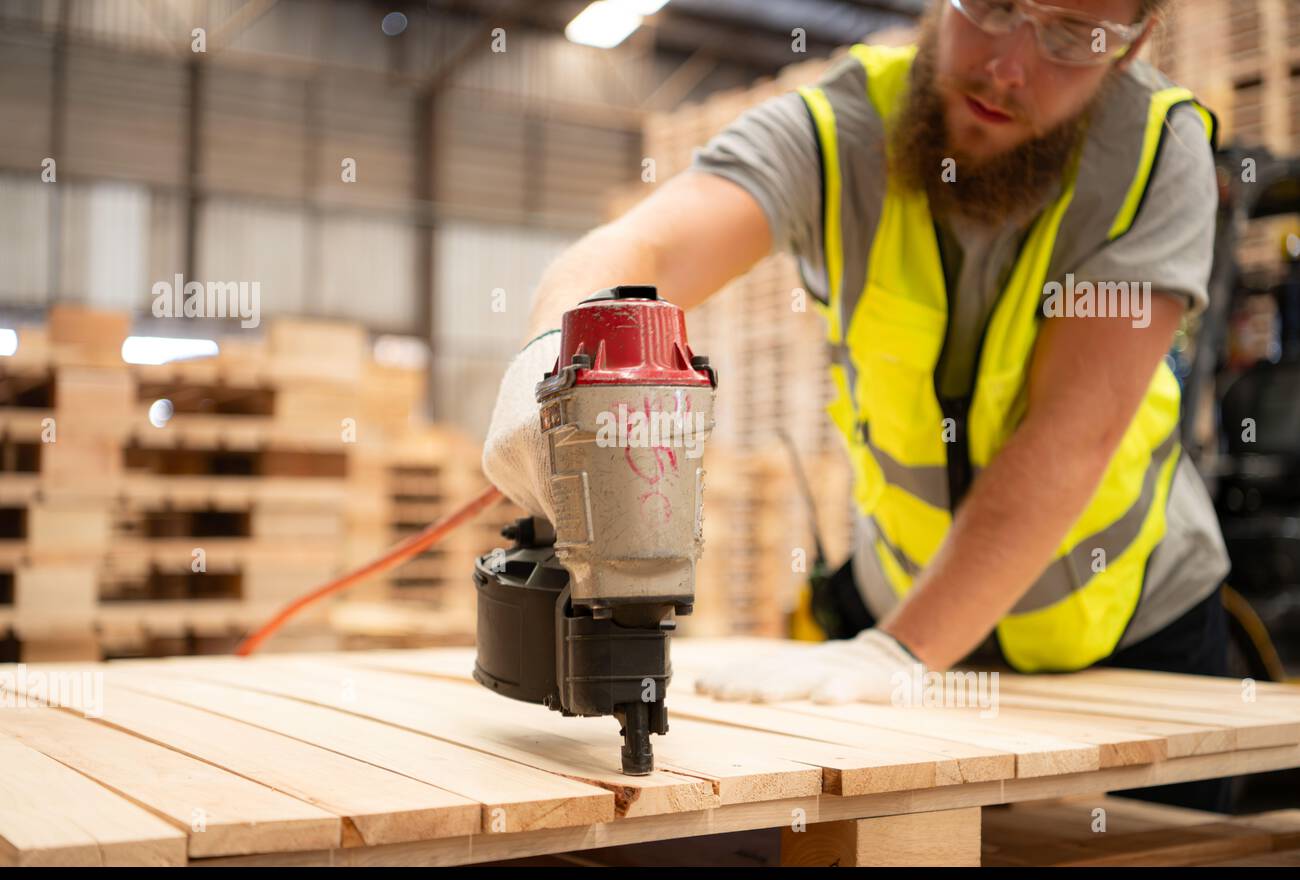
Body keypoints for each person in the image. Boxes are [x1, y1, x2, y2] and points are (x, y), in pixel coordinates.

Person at [482, 0, 1234, 809]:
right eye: (992, 5)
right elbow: (648, 250)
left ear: (1131, 47)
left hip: (1129, 638)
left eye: (1071, 36)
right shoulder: (838, 130)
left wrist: (898, 653)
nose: (1008, 64)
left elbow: (1072, 433)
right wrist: (550, 367)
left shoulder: (1156, 153)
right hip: (897, 625)